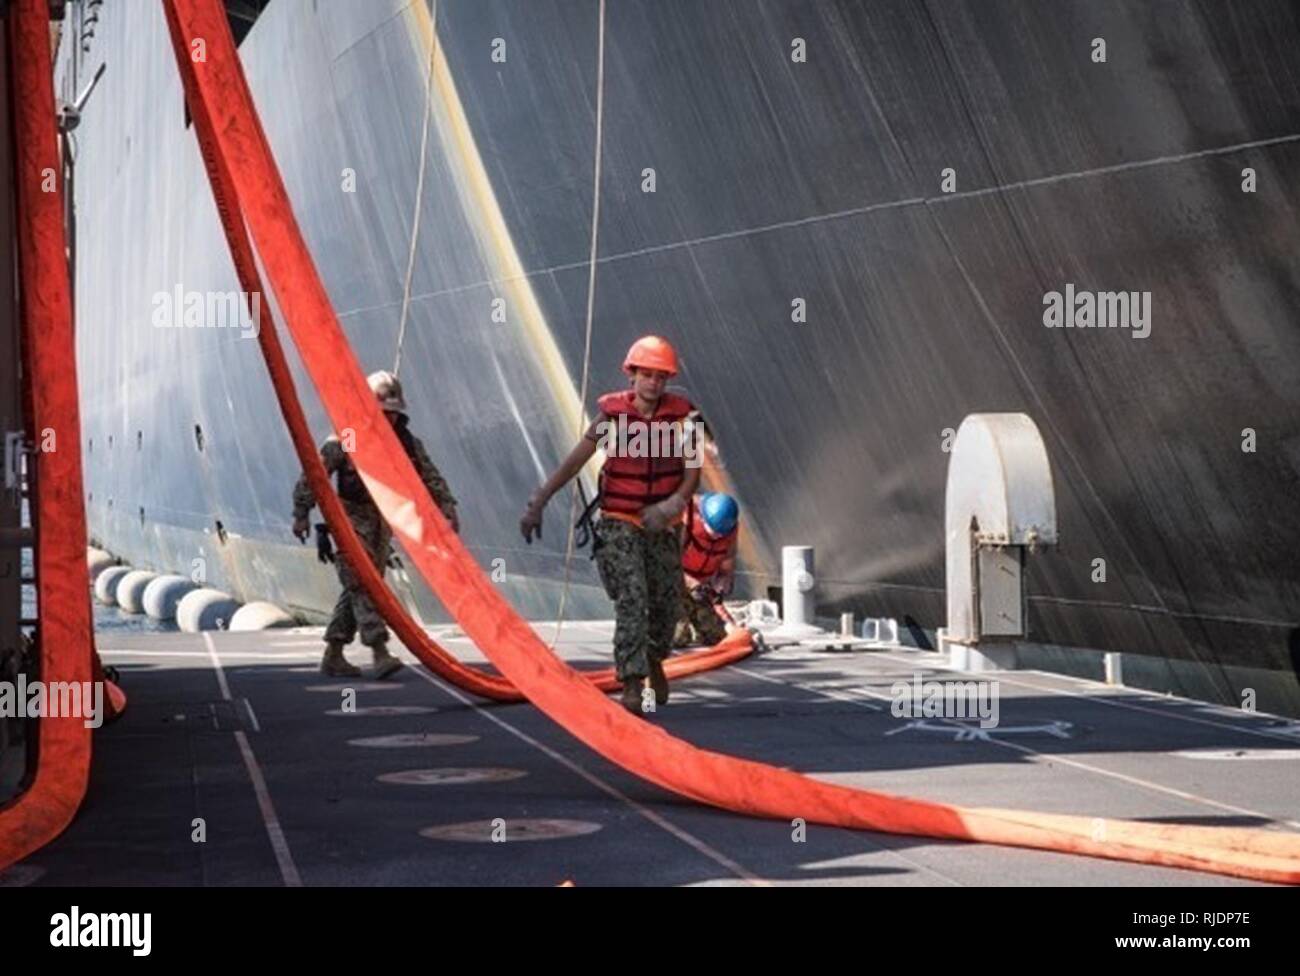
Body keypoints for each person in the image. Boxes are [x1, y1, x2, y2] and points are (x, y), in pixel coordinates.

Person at [520, 336, 701, 714]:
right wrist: (539, 502)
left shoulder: (685, 420)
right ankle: (632, 683)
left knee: (667, 606)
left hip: (663, 525)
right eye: (646, 375)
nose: (653, 383)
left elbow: (693, 473)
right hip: (620, 521)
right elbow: (573, 463)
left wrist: (671, 506)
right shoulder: (613, 418)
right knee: (632, 598)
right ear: (631, 375)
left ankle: (654, 658)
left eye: (661, 377)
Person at [291, 370, 459, 679]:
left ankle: (334, 652)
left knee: (363, 587)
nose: (391, 420)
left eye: (395, 413)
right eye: (385, 413)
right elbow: (315, 474)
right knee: (362, 584)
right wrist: (301, 513)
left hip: (382, 522)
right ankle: (379, 650)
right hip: (349, 521)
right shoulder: (346, 438)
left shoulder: (405, 441)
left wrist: (447, 506)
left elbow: (429, 475)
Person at [672, 492, 739, 649]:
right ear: (702, 519)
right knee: (678, 637)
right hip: (672, 585)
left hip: (700, 591)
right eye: (712, 532)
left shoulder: (729, 532)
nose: (716, 537)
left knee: (716, 637)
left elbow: (726, 569)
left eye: (720, 534)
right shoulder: (684, 521)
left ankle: (695, 620)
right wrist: (694, 584)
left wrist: (720, 587)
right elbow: (668, 564)